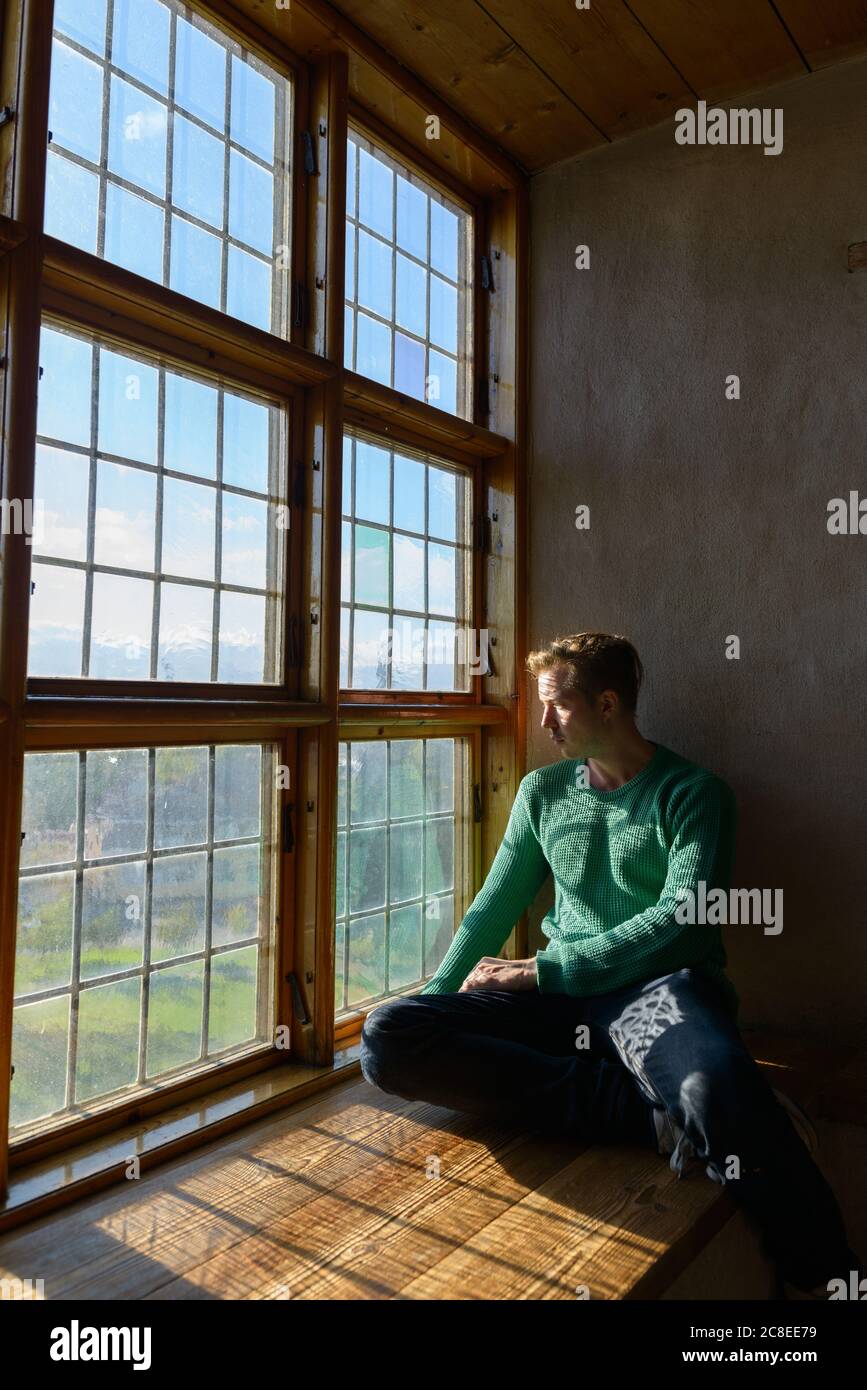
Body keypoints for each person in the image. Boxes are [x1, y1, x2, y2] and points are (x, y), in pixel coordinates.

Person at [360, 631, 862, 1299]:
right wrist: (435, 998)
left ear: (606, 703)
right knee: (389, 1036)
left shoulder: (694, 794)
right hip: (558, 1000)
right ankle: (650, 1115)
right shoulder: (542, 794)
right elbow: (491, 908)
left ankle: (828, 1284)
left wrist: (541, 969)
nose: (541, 724)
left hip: (651, 992)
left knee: (719, 1090)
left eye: (555, 706)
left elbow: (680, 926)